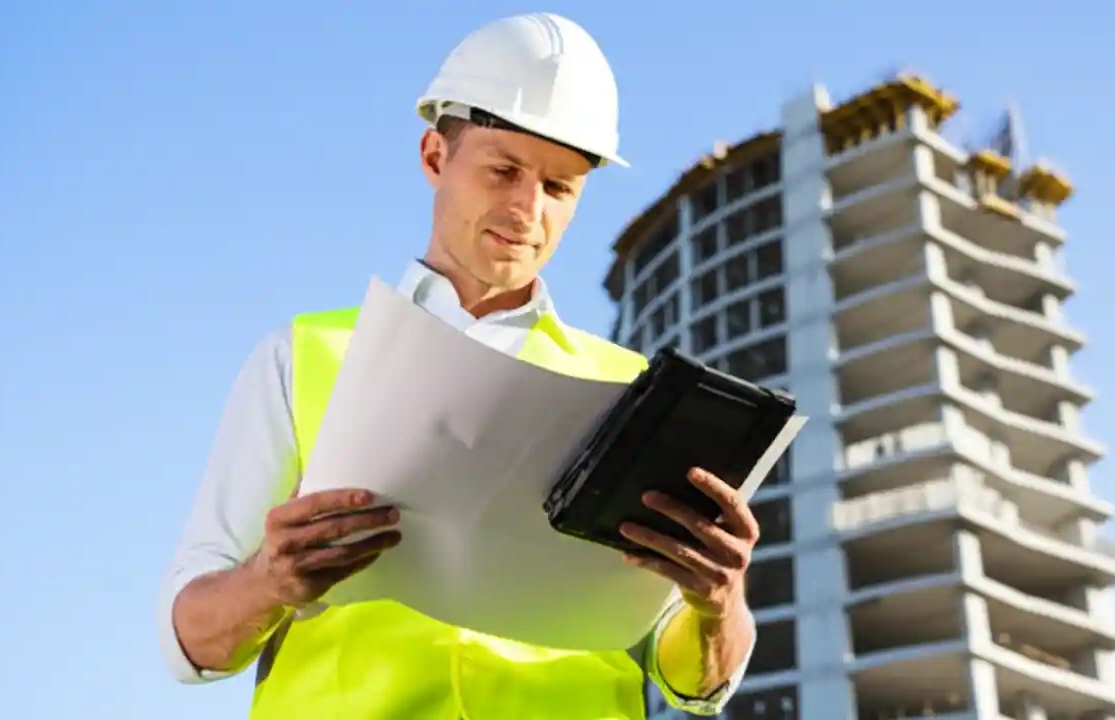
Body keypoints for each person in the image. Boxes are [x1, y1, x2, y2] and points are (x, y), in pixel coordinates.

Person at [159, 12, 760, 719]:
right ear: (434, 156)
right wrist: (268, 582)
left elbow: (691, 683)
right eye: (503, 170)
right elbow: (190, 642)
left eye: (559, 187)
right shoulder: (303, 356)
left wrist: (718, 604)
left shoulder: (630, 391)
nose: (527, 209)